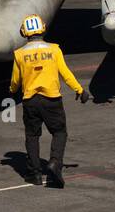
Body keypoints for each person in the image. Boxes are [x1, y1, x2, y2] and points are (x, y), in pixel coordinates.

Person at [9, 14, 89, 188]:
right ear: (43, 29)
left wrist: (12, 91)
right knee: (59, 132)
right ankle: (54, 162)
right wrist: (80, 90)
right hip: (52, 99)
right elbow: (65, 74)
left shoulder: (20, 54)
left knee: (32, 136)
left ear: (24, 33)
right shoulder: (54, 49)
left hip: (30, 101)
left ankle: (35, 174)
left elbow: (15, 81)